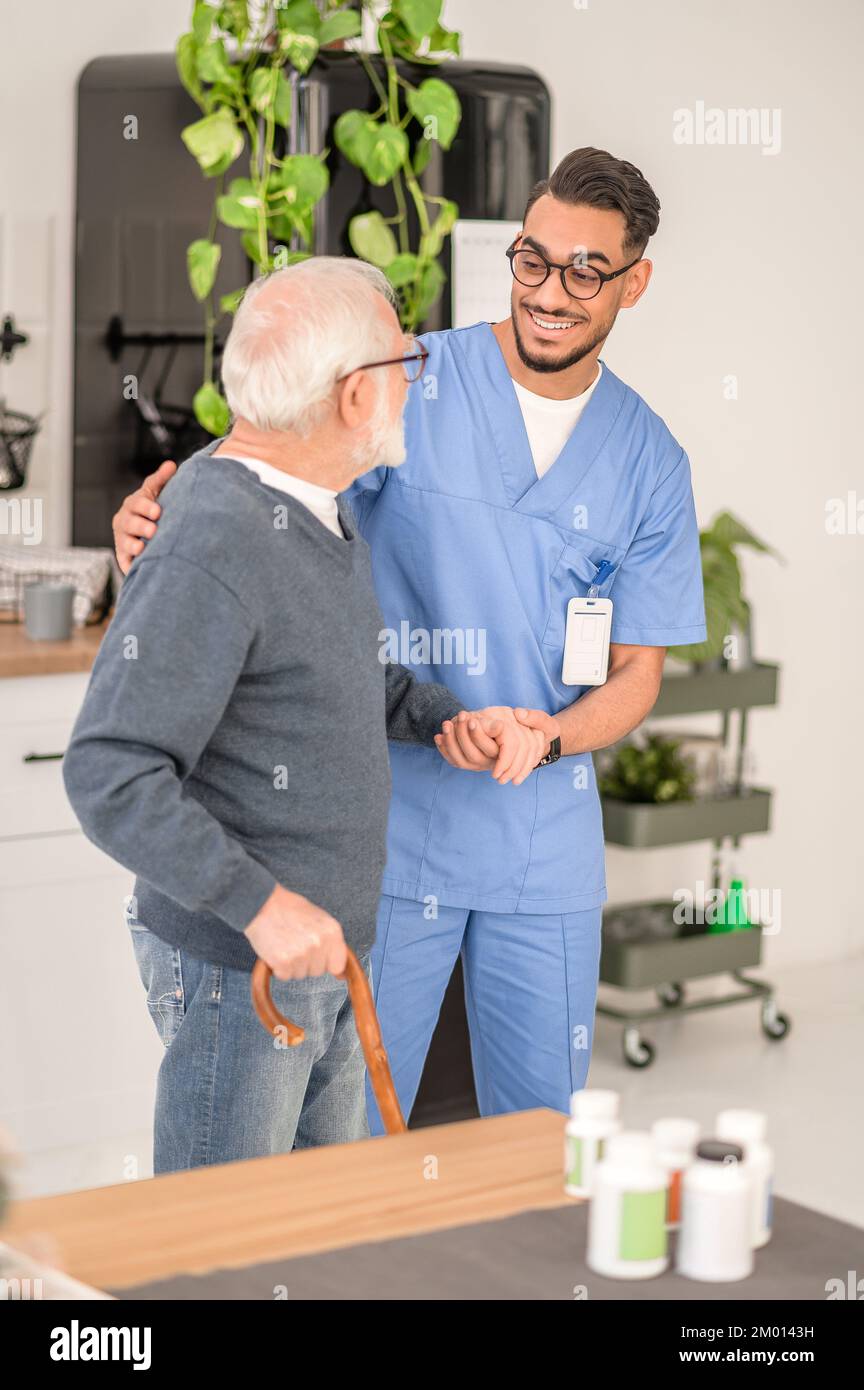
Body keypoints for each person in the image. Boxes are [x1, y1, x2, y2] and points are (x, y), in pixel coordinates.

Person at [112, 148, 707, 1133]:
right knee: (350, 1128)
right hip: (390, 823)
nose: (550, 293)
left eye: (584, 271)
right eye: (532, 260)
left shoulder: (650, 459)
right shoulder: (409, 378)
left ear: (633, 280)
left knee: (538, 1135)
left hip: (540, 832)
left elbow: (637, 674)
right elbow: (262, 480)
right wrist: (153, 532)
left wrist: (548, 735)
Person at [64, 257, 543, 1174]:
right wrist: (264, 909)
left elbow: (331, 668)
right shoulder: (215, 536)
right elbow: (108, 774)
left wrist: (443, 716)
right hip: (239, 973)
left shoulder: (310, 506)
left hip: (316, 960)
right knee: (223, 1254)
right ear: (356, 396)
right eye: (406, 367)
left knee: (319, 1239)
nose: (417, 386)